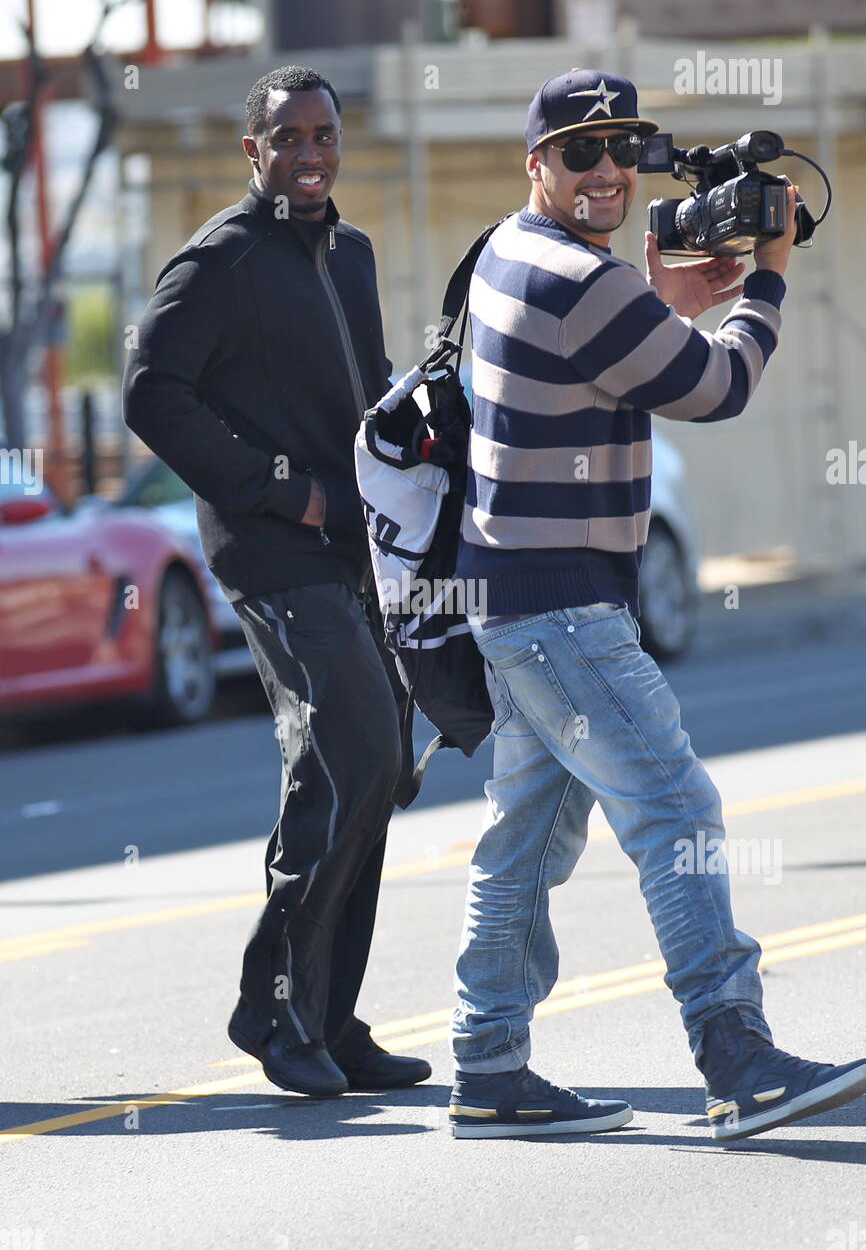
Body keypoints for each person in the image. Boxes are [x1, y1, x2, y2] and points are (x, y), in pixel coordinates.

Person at [448, 68, 866, 1141]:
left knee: (525, 833)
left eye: (623, 147)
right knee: (675, 812)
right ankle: (734, 1055)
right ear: (533, 161)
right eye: (580, 152)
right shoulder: (581, 282)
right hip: (562, 610)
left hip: (511, 597)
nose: (607, 170)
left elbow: (605, 355)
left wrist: (662, 302)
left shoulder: (510, 250)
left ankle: (487, 1061)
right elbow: (715, 388)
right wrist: (765, 279)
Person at [123, 66, 430, 1098]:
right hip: (271, 552)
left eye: (323, 133)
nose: (308, 151)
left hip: (354, 550)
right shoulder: (220, 260)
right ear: (251, 148)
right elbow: (149, 390)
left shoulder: (350, 253)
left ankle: (328, 1018)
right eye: (286, 135)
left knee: (379, 768)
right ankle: (271, 1002)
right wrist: (273, 489)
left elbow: (362, 387)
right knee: (352, 752)